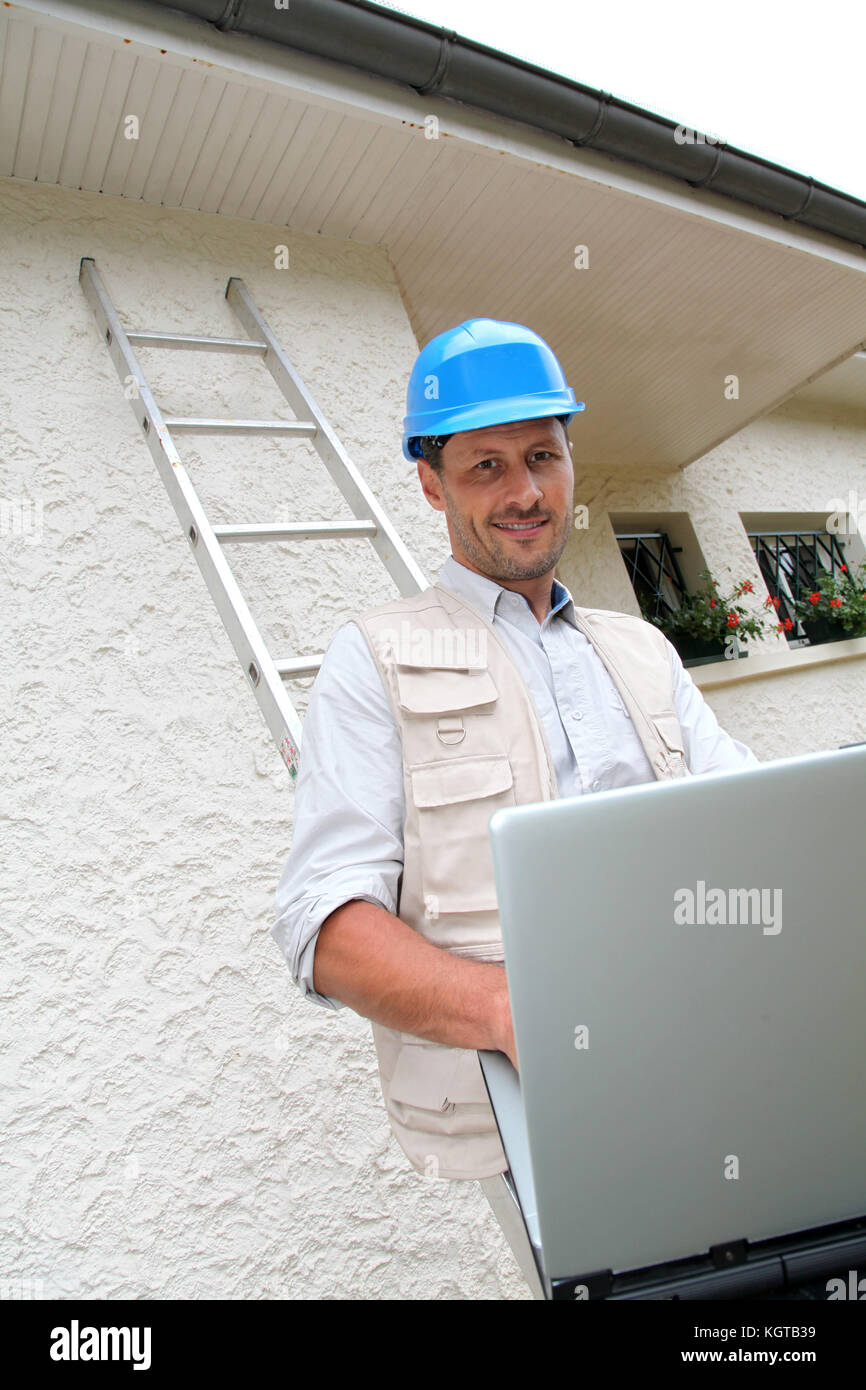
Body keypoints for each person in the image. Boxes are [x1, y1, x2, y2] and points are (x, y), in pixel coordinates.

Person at [271, 319, 759, 1281]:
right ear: (432, 484)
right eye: (485, 466)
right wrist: (510, 1011)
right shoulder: (374, 660)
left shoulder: (641, 650)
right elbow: (322, 926)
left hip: (712, 1058)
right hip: (536, 1109)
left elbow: (755, 828)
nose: (524, 492)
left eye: (541, 456)